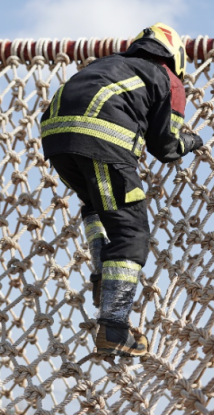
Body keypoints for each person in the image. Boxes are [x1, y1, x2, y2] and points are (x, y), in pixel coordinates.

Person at [40, 23, 203, 358]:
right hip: (102, 140)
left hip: (56, 141)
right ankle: (114, 327)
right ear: (175, 56)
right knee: (130, 230)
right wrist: (193, 141)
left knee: (99, 205)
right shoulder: (167, 78)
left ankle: (104, 279)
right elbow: (166, 146)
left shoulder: (109, 63)